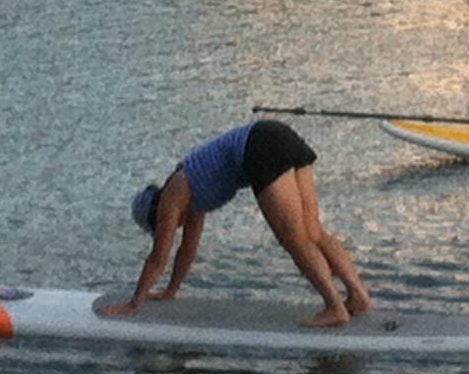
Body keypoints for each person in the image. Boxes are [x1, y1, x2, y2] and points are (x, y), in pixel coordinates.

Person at [107, 117, 372, 328]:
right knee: (313, 232)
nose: (170, 226)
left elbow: (159, 256)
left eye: (159, 225)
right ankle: (358, 296)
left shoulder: (171, 197)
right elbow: (187, 249)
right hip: (277, 134)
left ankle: (335, 308)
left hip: (260, 147)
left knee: (294, 238)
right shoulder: (191, 188)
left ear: (154, 212)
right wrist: (171, 291)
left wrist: (134, 303)